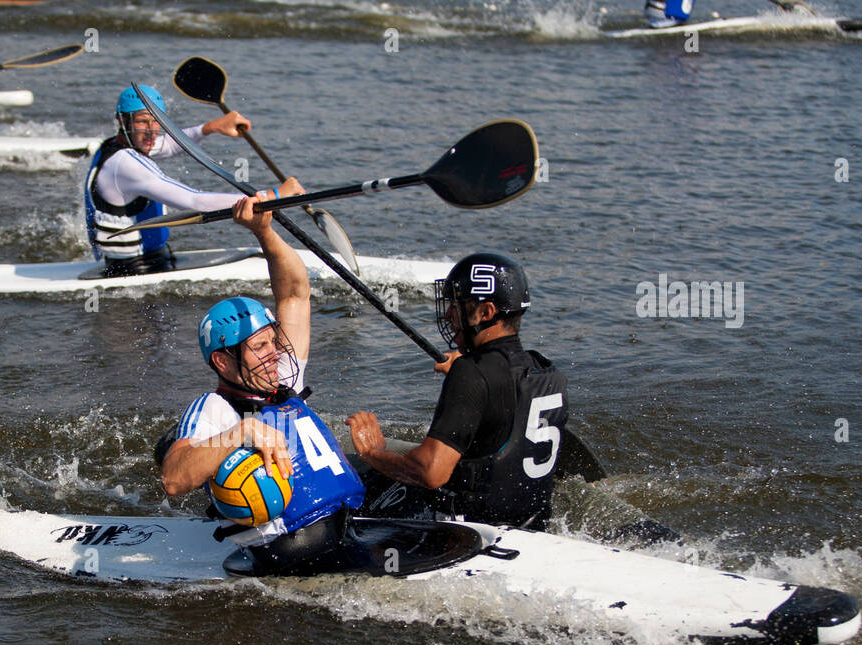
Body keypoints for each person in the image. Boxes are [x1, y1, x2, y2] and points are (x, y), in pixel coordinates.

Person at [159, 194, 367, 573]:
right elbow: (173, 478)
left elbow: (294, 292)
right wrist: (244, 430)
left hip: (346, 531)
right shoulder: (213, 408)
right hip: (288, 555)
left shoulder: (284, 375)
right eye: (259, 346)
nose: (274, 353)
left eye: (273, 340)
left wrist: (264, 232)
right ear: (223, 361)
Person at [345, 253, 568, 530]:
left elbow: (431, 472)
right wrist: (472, 376)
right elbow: (505, 407)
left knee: (354, 496)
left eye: (458, 305)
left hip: (471, 533)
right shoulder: (547, 373)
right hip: (534, 527)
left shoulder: (472, 373)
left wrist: (373, 453)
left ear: (486, 312)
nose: (449, 314)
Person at [85, 84, 303, 277]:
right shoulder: (126, 164)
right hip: (136, 270)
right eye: (143, 122)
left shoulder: (116, 146)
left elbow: (169, 145)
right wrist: (272, 196)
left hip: (131, 263)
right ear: (122, 120)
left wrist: (211, 127)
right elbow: (195, 202)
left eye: (157, 120)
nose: (152, 131)